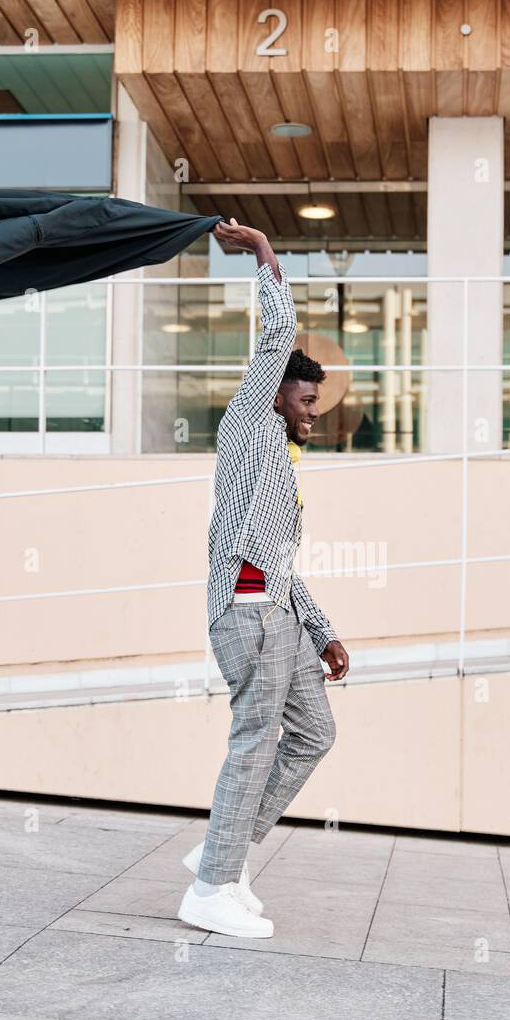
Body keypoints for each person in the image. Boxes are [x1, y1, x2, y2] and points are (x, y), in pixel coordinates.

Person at [178, 219, 349, 938]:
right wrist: (265, 255)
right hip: (246, 612)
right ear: (276, 397)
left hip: (277, 610)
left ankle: (222, 850)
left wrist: (324, 630)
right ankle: (212, 887)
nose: (314, 414)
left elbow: (283, 560)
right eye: (307, 402)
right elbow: (277, 338)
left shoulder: (280, 465)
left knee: (313, 733)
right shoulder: (248, 427)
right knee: (255, 738)